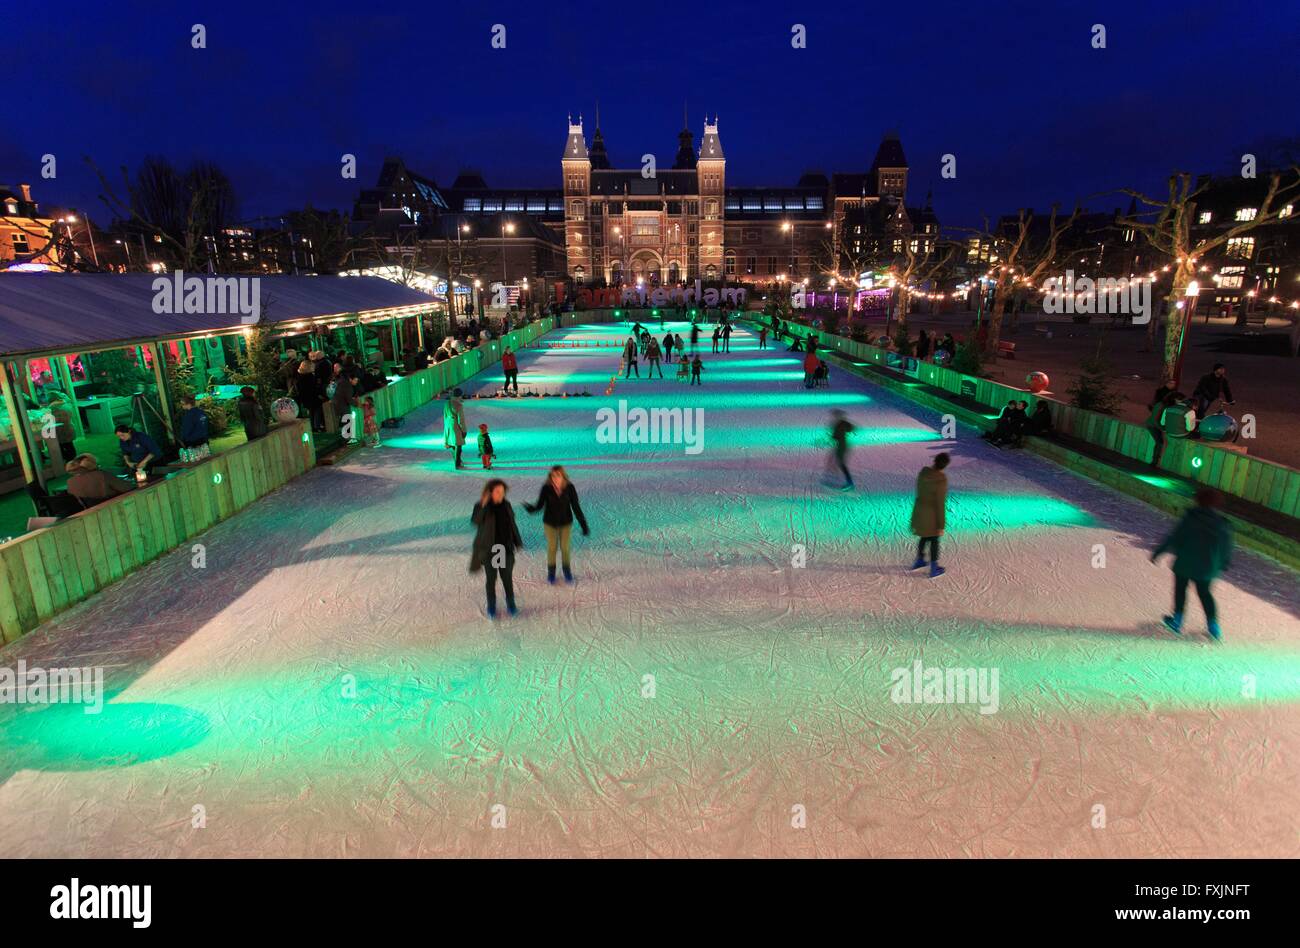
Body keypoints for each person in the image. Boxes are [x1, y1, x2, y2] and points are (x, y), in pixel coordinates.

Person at [1152, 487, 1233, 640]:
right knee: (1205, 593)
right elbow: (1226, 545)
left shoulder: (1191, 518)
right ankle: (1213, 626)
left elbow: (1175, 537)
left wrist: (1159, 551)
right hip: (1207, 566)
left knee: (1180, 590)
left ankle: (1177, 620)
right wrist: (1224, 562)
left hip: (1186, 562)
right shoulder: (1221, 524)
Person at [523, 465, 590, 584]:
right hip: (550, 523)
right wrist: (532, 509)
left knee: (565, 548)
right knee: (552, 547)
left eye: (558, 475)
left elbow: (575, 507)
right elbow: (540, 505)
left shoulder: (570, 488)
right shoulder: (546, 488)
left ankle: (567, 572)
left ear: (563, 476)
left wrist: (583, 523)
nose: (555, 478)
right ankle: (551, 573)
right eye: (553, 475)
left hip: (565, 523)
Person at [470, 479, 523, 618]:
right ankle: (492, 606)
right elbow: (475, 521)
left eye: (503, 491)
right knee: (491, 579)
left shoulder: (507, 505)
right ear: (490, 492)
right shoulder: (481, 506)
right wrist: (484, 504)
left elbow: (512, 524)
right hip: (490, 550)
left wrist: (517, 541)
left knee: (507, 579)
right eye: (498, 491)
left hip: (505, 548)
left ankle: (511, 604)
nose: (501, 494)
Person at [910, 452, 950, 578]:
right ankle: (933, 568)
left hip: (920, 510)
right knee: (934, 540)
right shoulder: (940, 479)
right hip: (932, 514)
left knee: (923, 536)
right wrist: (941, 524)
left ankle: (919, 560)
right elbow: (939, 502)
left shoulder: (924, 473)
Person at [65, 454, 133, 508]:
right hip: (112, 508)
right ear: (93, 464)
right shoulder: (101, 475)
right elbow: (126, 488)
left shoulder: (70, 482)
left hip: (89, 513)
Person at [1145, 391, 1181, 467]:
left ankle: (1155, 462)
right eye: (1179, 400)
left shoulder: (1165, 404)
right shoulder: (1162, 405)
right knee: (1159, 442)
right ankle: (1154, 462)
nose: (1180, 402)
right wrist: (1163, 428)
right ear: (1174, 399)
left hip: (1154, 424)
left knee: (1160, 442)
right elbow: (1155, 420)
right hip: (1152, 425)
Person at [45, 392, 78, 462]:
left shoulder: (53, 408)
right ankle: (73, 459)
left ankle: (70, 461)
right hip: (69, 427)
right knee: (69, 445)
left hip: (61, 430)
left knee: (60, 446)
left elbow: (53, 420)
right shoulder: (65, 404)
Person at [294, 360, 326, 432]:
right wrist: (319, 395)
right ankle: (316, 426)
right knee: (317, 410)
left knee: (311, 411)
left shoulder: (299, 376)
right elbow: (314, 388)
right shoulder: (310, 376)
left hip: (305, 397)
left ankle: (313, 426)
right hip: (313, 397)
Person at [827, 409, 855, 490]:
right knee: (838, 462)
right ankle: (847, 481)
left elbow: (836, 436)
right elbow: (851, 428)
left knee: (841, 464)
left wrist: (835, 436)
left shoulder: (840, 424)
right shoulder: (839, 423)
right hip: (841, 445)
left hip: (842, 445)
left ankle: (850, 483)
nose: (835, 417)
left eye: (836, 416)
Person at [331, 366, 359, 443]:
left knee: (344, 421)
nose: (356, 382)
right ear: (350, 379)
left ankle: (346, 438)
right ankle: (349, 439)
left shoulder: (343, 382)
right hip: (342, 405)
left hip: (338, 404)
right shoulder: (348, 386)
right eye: (355, 380)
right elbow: (348, 399)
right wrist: (356, 404)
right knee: (347, 420)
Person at [443, 388, 467, 469]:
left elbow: (445, 416)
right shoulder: (459, 405)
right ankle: (458, 464)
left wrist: (446, 426)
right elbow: (461, 420)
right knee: (458, 445)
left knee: (452, 444)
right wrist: (464, 430)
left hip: (448, 425)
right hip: (455, 425)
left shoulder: (447, 403)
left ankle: (457, 460)